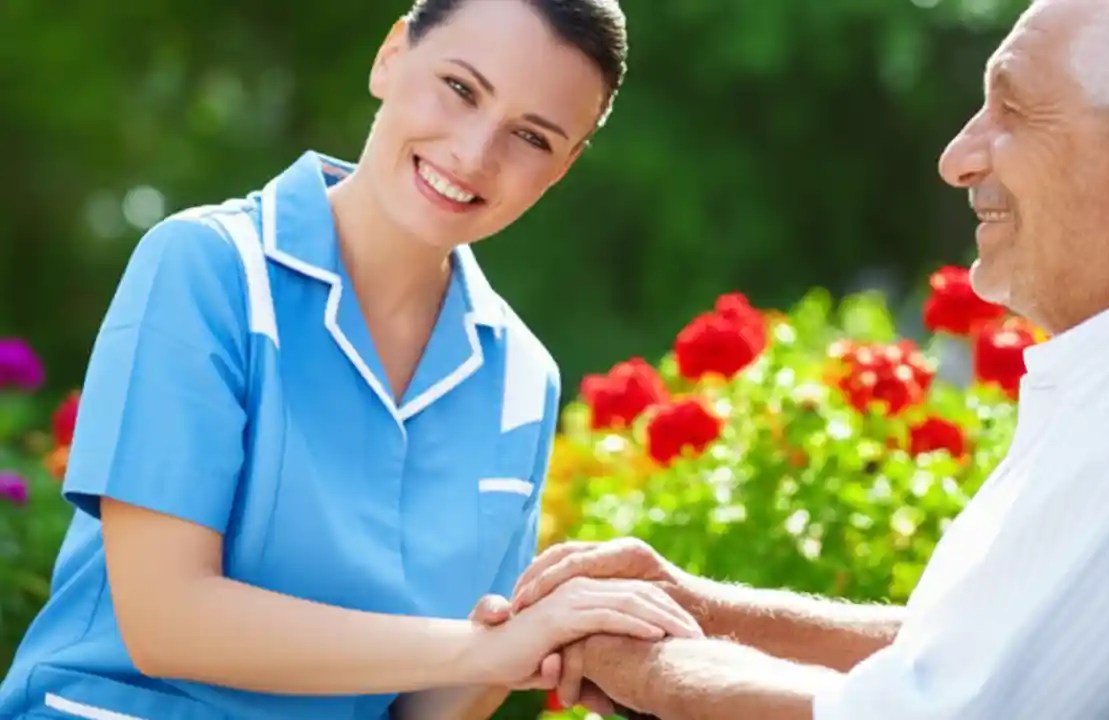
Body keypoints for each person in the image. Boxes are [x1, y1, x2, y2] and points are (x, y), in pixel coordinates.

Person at [508, 0, 1109, 717]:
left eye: (1011, 110)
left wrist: (645, 665)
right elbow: (970, 653)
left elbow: (931, 712)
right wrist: (694, 610)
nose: (958, 158)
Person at [0, 1, 705, 719]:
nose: (473, 153)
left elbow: (427, 706)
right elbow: (165, 621)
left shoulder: (523, 379)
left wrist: (550, 638)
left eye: (531, 136)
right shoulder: (208, 267)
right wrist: (478, 649)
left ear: (563, 167)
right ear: (392, 57)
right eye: (461, 88)